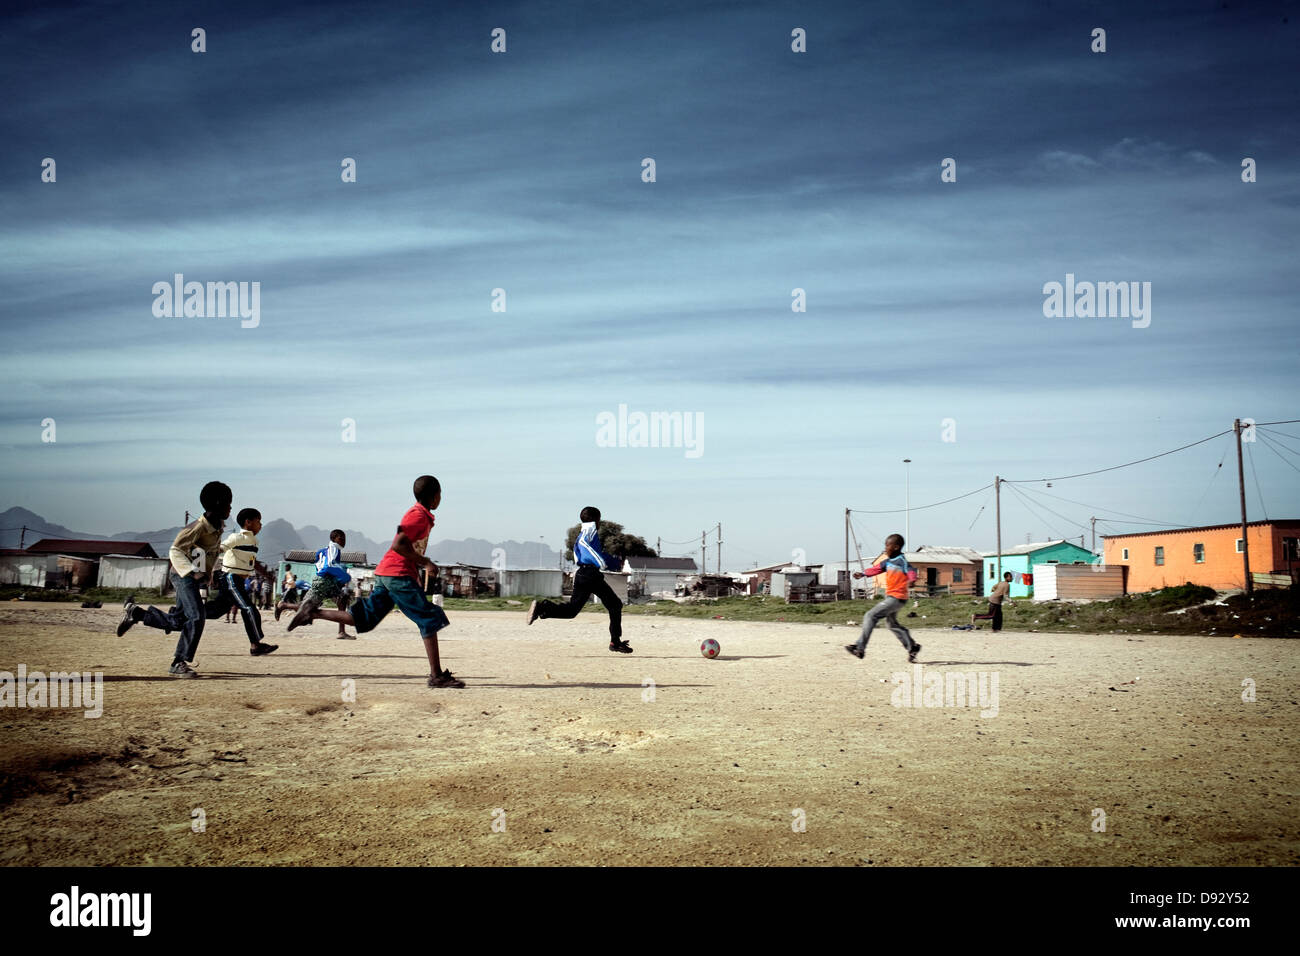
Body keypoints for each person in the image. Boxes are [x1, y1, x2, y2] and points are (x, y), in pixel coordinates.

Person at [288, 475, 462, 688]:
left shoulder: (420, 515)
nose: (441, 498)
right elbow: (399, 545)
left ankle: (313, 612)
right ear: (434, 496)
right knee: (428, 617)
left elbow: (405, 547)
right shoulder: (417, 516)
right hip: (396, 574)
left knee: (366, 618)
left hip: (390, 573)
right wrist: (425, 562)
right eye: (440, 494)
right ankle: (436, 676)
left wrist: (415, 569)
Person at [116, 482, 278, 677]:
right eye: (228, 504)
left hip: (195, 578)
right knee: (196, 617)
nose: (231, 508)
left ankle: (137, 614)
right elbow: (176, 551)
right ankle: (178, 662)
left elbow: (206, 553)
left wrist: (208, 575)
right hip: (182, 576)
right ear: (218, 504)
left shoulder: (217, 526)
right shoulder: (198, 526)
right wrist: (193, 572)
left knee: (179, 621)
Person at [525, 506, 630, 653]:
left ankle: (543, 608)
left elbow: (576, 553)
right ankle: (615, 642)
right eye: (599, 520)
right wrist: (607, 562)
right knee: (615, 605)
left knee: (572, 611)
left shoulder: (583, 532)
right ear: (597, 519)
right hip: (590, 575)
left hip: (585, 574)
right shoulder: (590, 531)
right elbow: (587, 549)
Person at [844, 533, 921, 663]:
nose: (885, 548)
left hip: (896, 598)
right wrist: (863, 574)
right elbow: (876, 569)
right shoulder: (888, 562)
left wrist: (912, 580)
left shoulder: (901, 560)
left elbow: (911, 571)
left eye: (887, 545)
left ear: (896, 547)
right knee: (891, 624)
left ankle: (859, 647)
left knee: (870, 616)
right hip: (893, 597)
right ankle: (912, 647)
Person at [214, 508, 279, 653]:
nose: (261, 525)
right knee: (249, 609)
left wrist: (267, 575)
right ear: (248, 522)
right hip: (230, 577)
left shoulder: (254, 541)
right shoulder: (236, 537)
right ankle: (256, 645)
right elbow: (219, 549)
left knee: (215, 611)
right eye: (258, 521)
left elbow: (253, 562)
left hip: (238, 581)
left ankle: (182, 616)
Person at [294, 529, 356, 639]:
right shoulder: (334, 548)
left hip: (324, 581)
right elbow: (330, 565)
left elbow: (319, 564)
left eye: (345, 539)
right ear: (334, 539)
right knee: (307, 607)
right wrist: (344, 577)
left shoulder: (323, 551)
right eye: (341, 538)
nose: (343, 541)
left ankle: (341, 632)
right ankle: (283, 605)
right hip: (324, 582)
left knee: (341, 601)